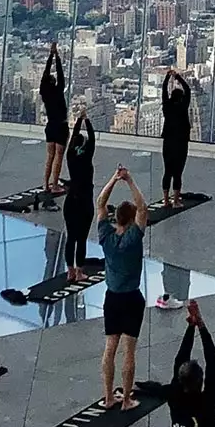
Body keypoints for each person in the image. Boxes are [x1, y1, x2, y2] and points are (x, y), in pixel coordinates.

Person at [97, 167, 148, 408]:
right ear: (131, 219)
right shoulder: (133, 238)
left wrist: (113, 179)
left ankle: (108, 397)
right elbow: (143, 208)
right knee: (129, 352)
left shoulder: (106, 236)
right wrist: (129, 180)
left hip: (112, 297)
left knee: (110, 348)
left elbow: (100, 203)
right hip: (132, 298)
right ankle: (126, 399)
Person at [63, 110, 97, 283]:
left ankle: (69, 271)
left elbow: (74, 138)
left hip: (71, 200)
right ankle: (79, 272)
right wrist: (86, 121)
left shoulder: (70, 156)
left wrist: (78, 122)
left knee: (71, 237)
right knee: (81, 238)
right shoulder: (87, 156)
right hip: (84, 201)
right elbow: (92, 139)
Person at [40, 41, 69, 194]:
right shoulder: (58, 91)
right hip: (61, 126)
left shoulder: (44, 93)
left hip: (50, 126)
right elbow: (60, 74)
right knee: (59, 156)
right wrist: (56, 56)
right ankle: (55, 184)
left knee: (50, 156)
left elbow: (46, 74)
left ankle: (45, 184)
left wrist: (50, 56)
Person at [161, 68, 192, 208]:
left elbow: (163, 91)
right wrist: (177, 77)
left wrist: (168, 77)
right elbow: (188, 90)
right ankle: (176, 201)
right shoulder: (183, 106)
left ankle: (166, 200)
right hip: (181, 143)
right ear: (181, 98)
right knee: (178, 172)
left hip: (168, 143)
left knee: (167, 171)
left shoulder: (167, 107)